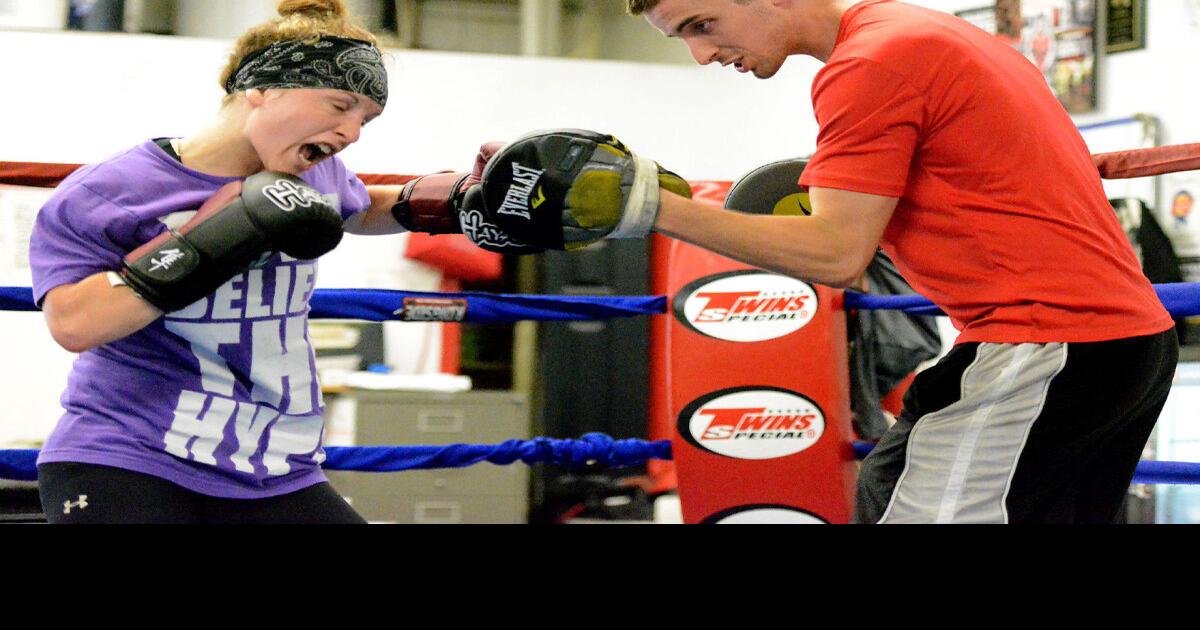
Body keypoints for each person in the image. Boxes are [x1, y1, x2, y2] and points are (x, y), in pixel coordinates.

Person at [474, 0, 1178, 523]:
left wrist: (648, 203)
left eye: (701, 25)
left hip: (1049, 343)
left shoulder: (870, 64)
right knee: (890, 486)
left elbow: (837, 253)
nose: (701, 55)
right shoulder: (929, 31)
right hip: (1122, 344)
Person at [29, 0, 522, 524]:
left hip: (273, 466)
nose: (352, 132)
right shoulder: (110, 192)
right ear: (260, 89)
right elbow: (75, 323)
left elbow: (360, 206)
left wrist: (453, 200)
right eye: (339, 105)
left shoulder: (314, 173)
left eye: (366, 119)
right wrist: (213, 235)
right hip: (133, 457)